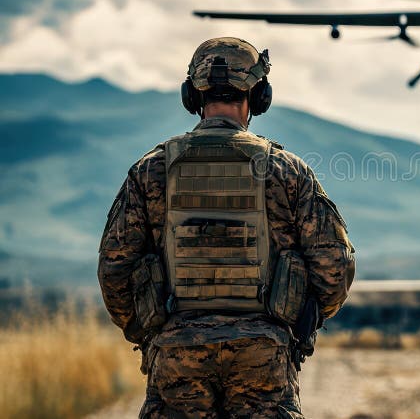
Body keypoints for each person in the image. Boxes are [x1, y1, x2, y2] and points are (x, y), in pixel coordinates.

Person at [98, 37, 355, 418]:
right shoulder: (288, 172)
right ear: (259, 95)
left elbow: (115, 270)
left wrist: (153, 332)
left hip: (176, 356)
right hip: (264, 355)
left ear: (192, 95)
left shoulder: (150, 171)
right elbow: (334, 267)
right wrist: (292, 326)